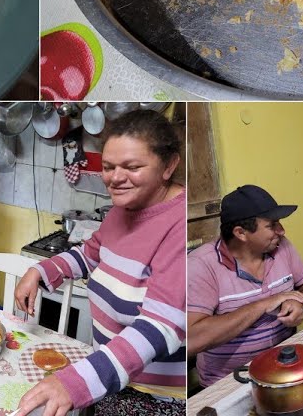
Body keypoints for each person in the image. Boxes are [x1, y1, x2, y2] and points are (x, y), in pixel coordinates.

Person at [13, 109, 186, 416]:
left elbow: (161, 325)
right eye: (108, 167)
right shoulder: (124, 207)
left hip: (157, 399)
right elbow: (89, 254)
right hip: (111, 377)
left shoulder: (179, 223)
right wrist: (38, 271)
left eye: (132, 167)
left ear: (169, 165)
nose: (115, 178)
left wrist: (78, 382)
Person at [186, 185, 303, 388]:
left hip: (284, 369)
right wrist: (261, 305)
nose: (281, 231)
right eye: (272, 225)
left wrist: (299, 302)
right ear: (241, 233)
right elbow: (191, 340)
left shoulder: (281, 246)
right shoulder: (201, 265)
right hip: (230, 383)